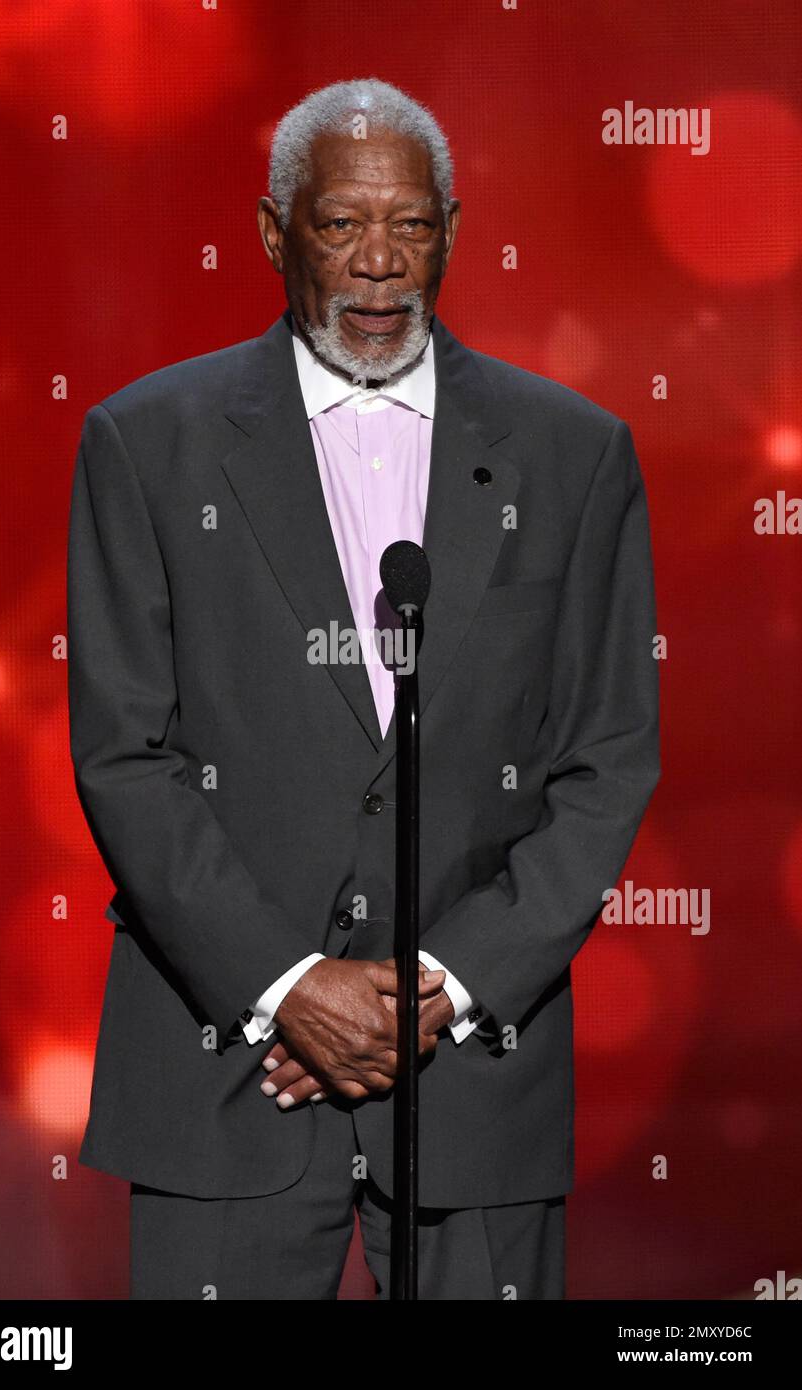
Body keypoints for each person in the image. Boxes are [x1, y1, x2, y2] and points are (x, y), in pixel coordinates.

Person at [67, 78, 660, 1300]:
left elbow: (606, 758)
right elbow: (125, 753)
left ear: (450, 225)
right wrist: (287, 987)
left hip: (474, 1084)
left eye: (411, 226)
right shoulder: (145, 443)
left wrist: (439, 987)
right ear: (273, 233)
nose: (379, 266)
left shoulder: (574, 452)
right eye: (340, 226)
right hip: (221, 1077)